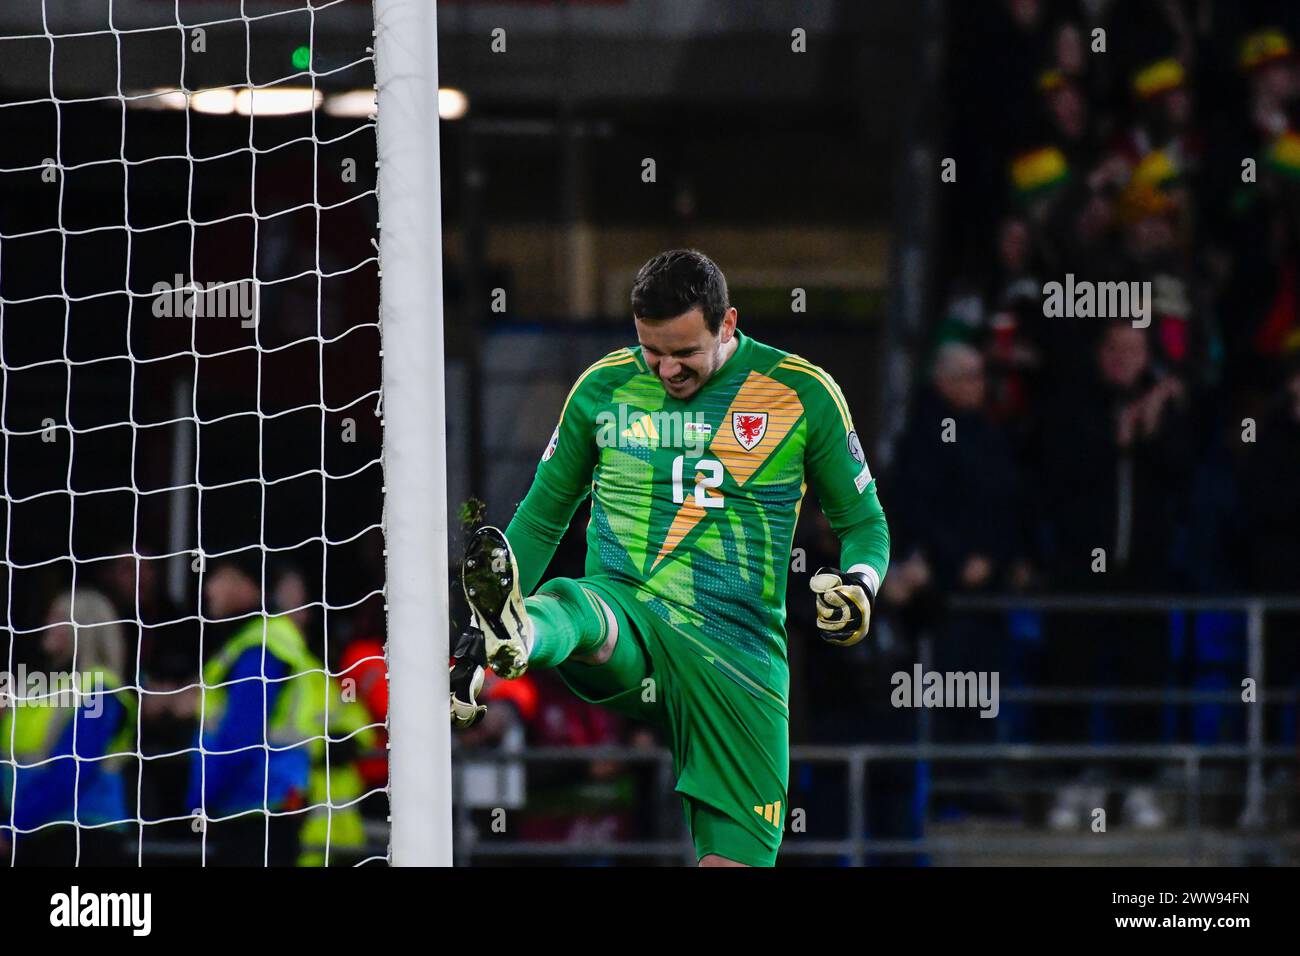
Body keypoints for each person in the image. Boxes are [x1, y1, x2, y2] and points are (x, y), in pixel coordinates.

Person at [450, 249, 890, 867]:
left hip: (738, 653)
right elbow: (544, 516)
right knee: (583, 612)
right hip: (630, 613)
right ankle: (518, 632)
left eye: (684, 353)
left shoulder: (801, 393)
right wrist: (473, 637)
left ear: (728, 324)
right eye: (652, 350)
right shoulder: (604, 388)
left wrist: (860, 584)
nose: (666, 369)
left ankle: (525, 629)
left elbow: (864, 523)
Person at [187, 555, 322, 866]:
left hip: (255, 808)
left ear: (248, 585)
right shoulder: (258, 640)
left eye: (218, 577)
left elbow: (241, 739)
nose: (208, 589)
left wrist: (200, 801)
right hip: (264, 804)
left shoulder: (261, 646)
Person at [1, 588, 135, 866]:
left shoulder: (98, 690)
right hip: (39, 830)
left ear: (83, 628)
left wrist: (14, 825)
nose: (48, 624)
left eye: (58, 617)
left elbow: (73, 770)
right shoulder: (46, 690)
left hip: (82, 833)